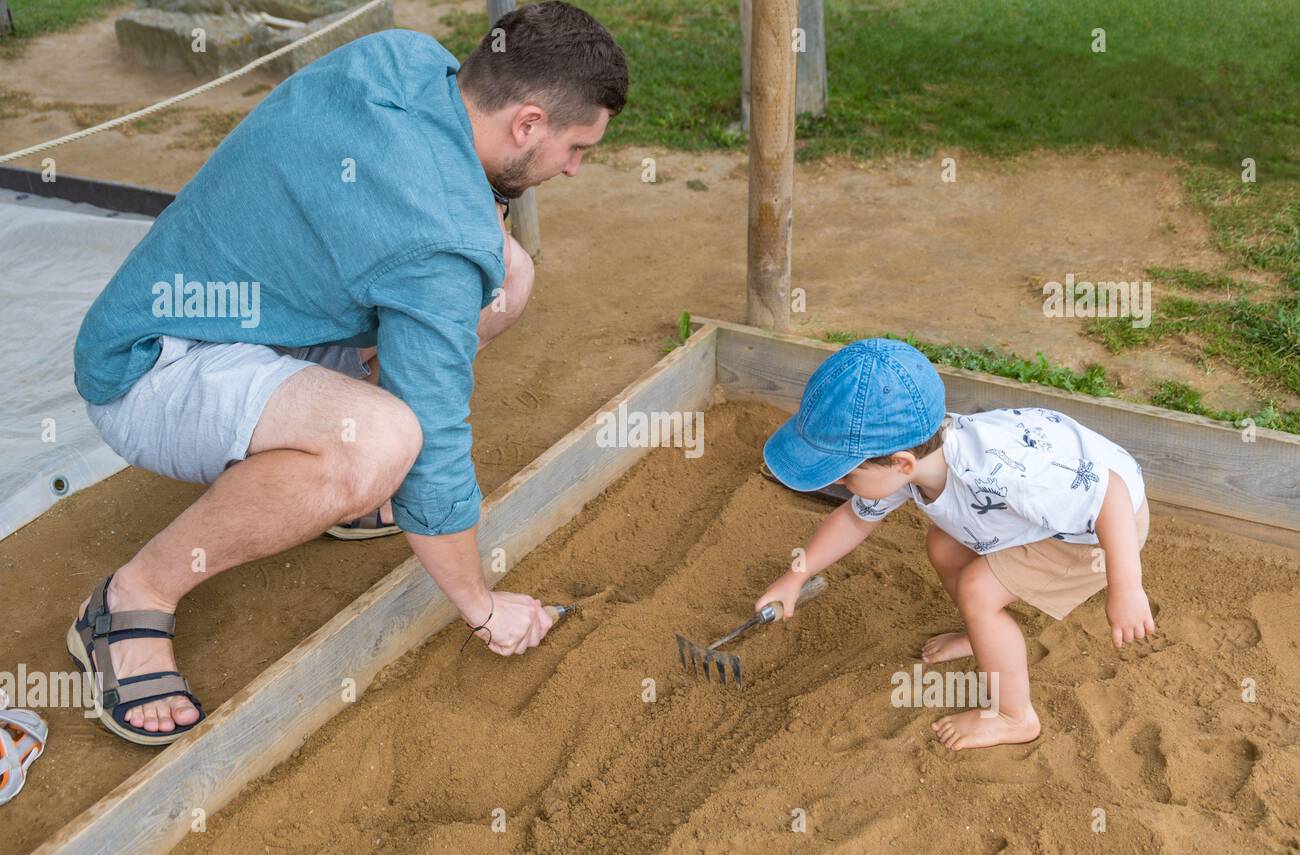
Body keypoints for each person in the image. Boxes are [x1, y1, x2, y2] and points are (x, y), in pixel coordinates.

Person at [69, 3, 628, 744]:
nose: (575, 168)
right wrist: (481, 605)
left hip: (267, 318)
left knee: (508, 275)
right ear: (526, 123)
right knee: (384, 440)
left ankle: (346, 481)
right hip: (152, 363)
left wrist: (475, 213)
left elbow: (428, 215)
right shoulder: (436, 243)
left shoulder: (407, 59)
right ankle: (129, 600)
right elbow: (435, 437)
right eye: (577, 147)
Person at [757, 338, 1155, 750]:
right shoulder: (916, 457)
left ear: (901, 463)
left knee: (977, 590)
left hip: (1095, 530)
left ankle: (1014, 716)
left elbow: (1110, 492)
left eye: (845, 476)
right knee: (943, 546)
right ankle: (981, 634)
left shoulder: (998, 470)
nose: (840, 485)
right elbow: (855, 518)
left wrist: (1126, 587)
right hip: (1038, 514)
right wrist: (795, 576)